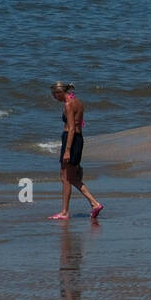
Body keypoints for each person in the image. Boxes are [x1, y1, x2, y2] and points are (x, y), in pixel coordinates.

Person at [50, 82, 102, 220]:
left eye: (54, 95)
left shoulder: (68, 105)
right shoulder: (78, 102)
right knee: (69, 177)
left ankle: (65, 212)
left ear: (60, 92)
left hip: (71, 140)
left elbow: (72, 128)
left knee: (66, 178)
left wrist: (67, 150)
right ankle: (94, 203)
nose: (55, 98)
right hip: (78, 140)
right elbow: (79, 125)